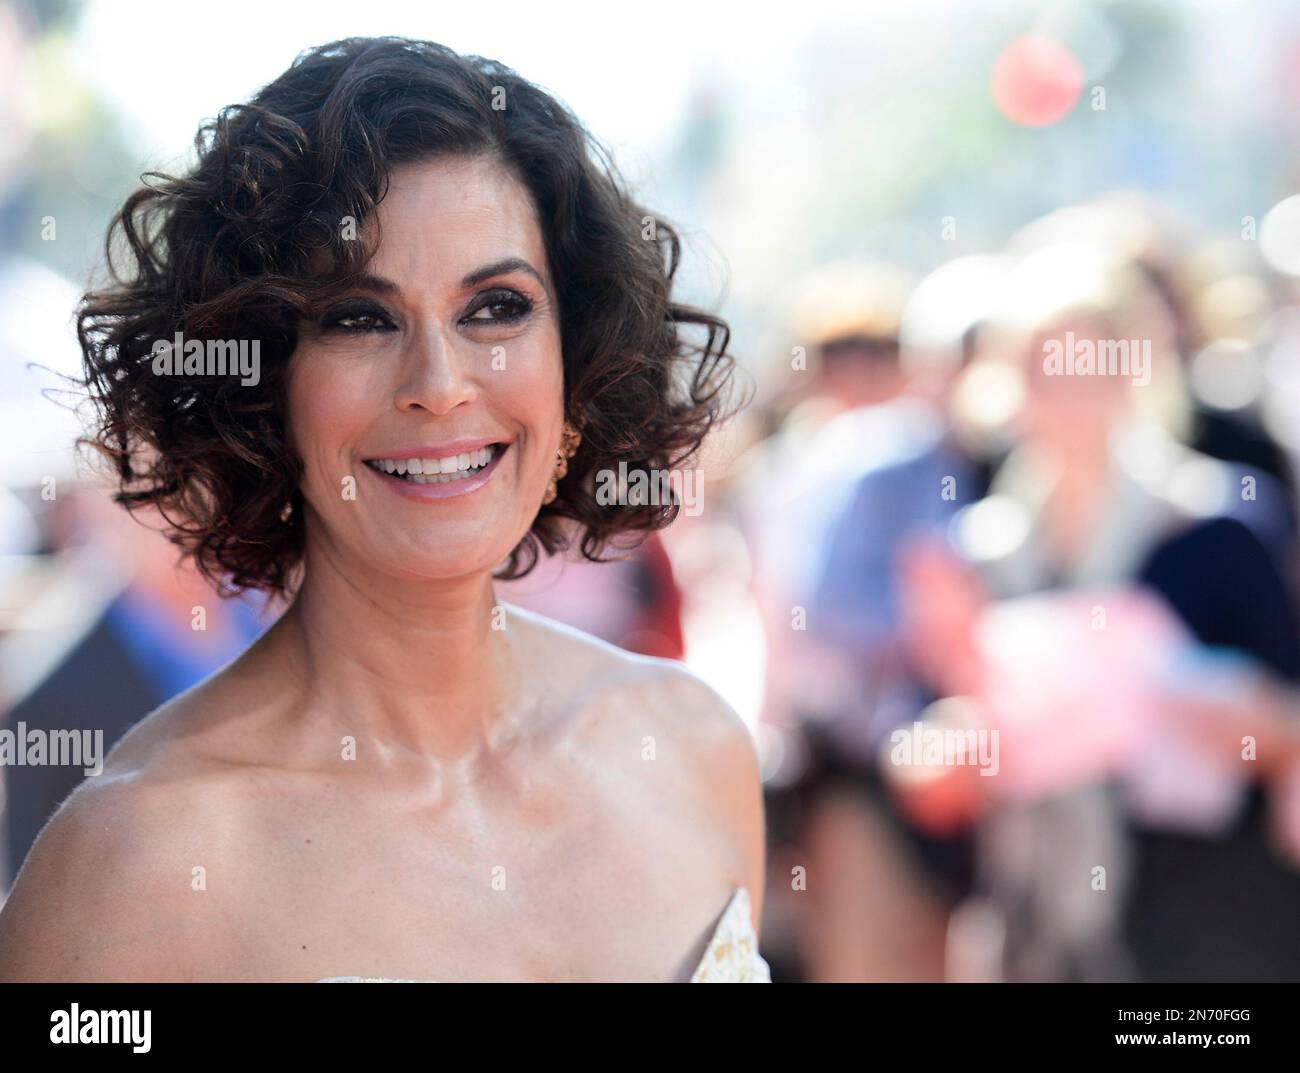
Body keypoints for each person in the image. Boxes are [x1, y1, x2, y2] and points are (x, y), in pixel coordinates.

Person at [0, 37, 768, 983]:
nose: (440, 385)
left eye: (496, 306)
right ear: (262, 387)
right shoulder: (139, 861)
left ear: (579, 358)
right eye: (359, 317)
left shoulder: (698, 750)